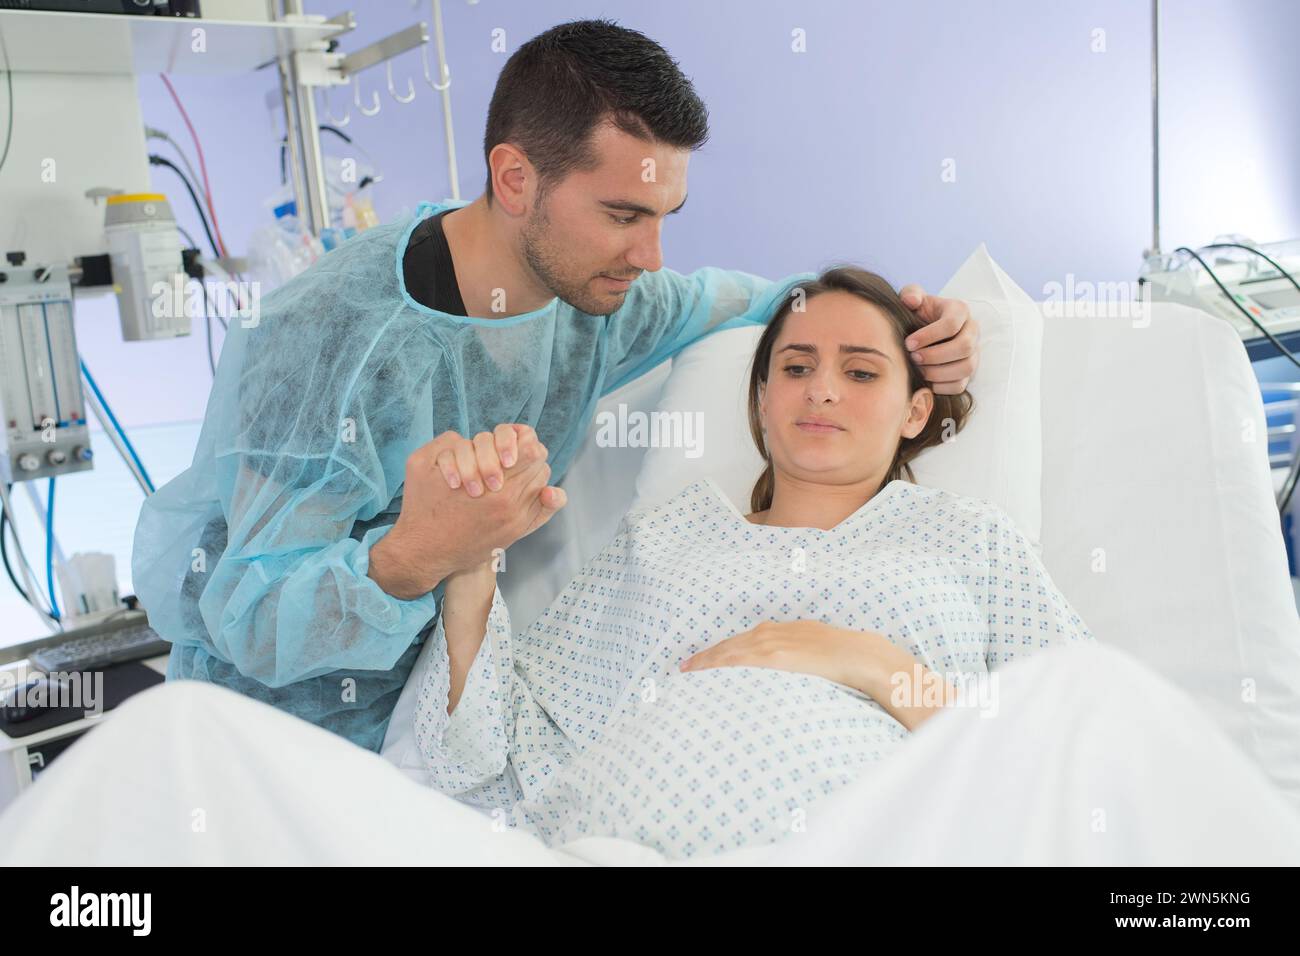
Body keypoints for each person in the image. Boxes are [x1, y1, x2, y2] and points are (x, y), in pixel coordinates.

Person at [131, 20, 980, 753]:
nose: (650, 256)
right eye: (622, 215)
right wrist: (420, 551)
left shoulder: (600, 303)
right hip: (270, 743)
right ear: (515, 179)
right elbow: (249, 613)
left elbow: (773, 304)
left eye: (663, 218)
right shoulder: (323, 339)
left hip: (438, 731)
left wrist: (921, 324)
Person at [413, 267, 1090, 859]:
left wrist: (880, 668)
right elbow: (484, 761)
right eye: (796, 368)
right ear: (763, 402)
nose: (821, 390)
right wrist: (469, 560)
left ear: (916, 411)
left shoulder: (965, 538)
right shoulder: (664, 540)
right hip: (598, 839)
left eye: (859, 371)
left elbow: (1075, 748)